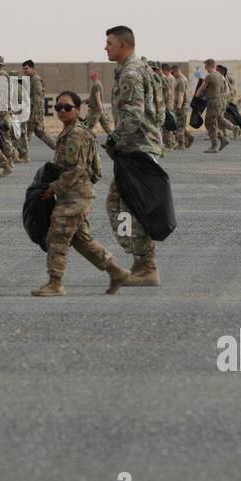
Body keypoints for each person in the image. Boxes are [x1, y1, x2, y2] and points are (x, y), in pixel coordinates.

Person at [31, 91, 129, 296]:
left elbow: (77, 169)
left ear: (77, 109)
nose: (62, 111)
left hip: (76, 195)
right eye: (58, 108)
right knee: (81, 240)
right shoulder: (69, 131)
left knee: (56, 236)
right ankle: (116, 272)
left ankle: (55, 283)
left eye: (67, 107)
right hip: (73, 193)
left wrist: (53, 189)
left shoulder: (76, 133)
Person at [104, 26, 163, 286]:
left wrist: (113, 141)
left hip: (136, 149)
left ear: (123, 45)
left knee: (132, 208)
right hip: (143, 147)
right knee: (120, 204)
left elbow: (134, 115)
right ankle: (140, 260)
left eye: (109, 43)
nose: (105, 47)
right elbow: (160, 112)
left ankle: (146, 267)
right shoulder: (143, 68)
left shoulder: (130, 73)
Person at [21, 60, 57, 151]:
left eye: (26, 68)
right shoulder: (31, 79)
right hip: (33, 110)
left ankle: (24, 154)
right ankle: (58, 148)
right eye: (23, 69)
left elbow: (38, 98)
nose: (24, 71)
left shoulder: (35, 79)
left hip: (34, 111)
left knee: (26, 132)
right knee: (39, 132)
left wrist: (35, 115)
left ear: (32, 68)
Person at [195, 58, 229, 152]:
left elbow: (202, 88)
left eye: (206, 65)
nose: (205, 67)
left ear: (209, 65)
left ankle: (214, 146)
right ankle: (222, 139)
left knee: (210, 123)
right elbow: (222, 90)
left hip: (212, 102)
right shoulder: (220, 76)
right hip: (219, 101)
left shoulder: (209, 76)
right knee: (213, 123)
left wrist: (197, 95)